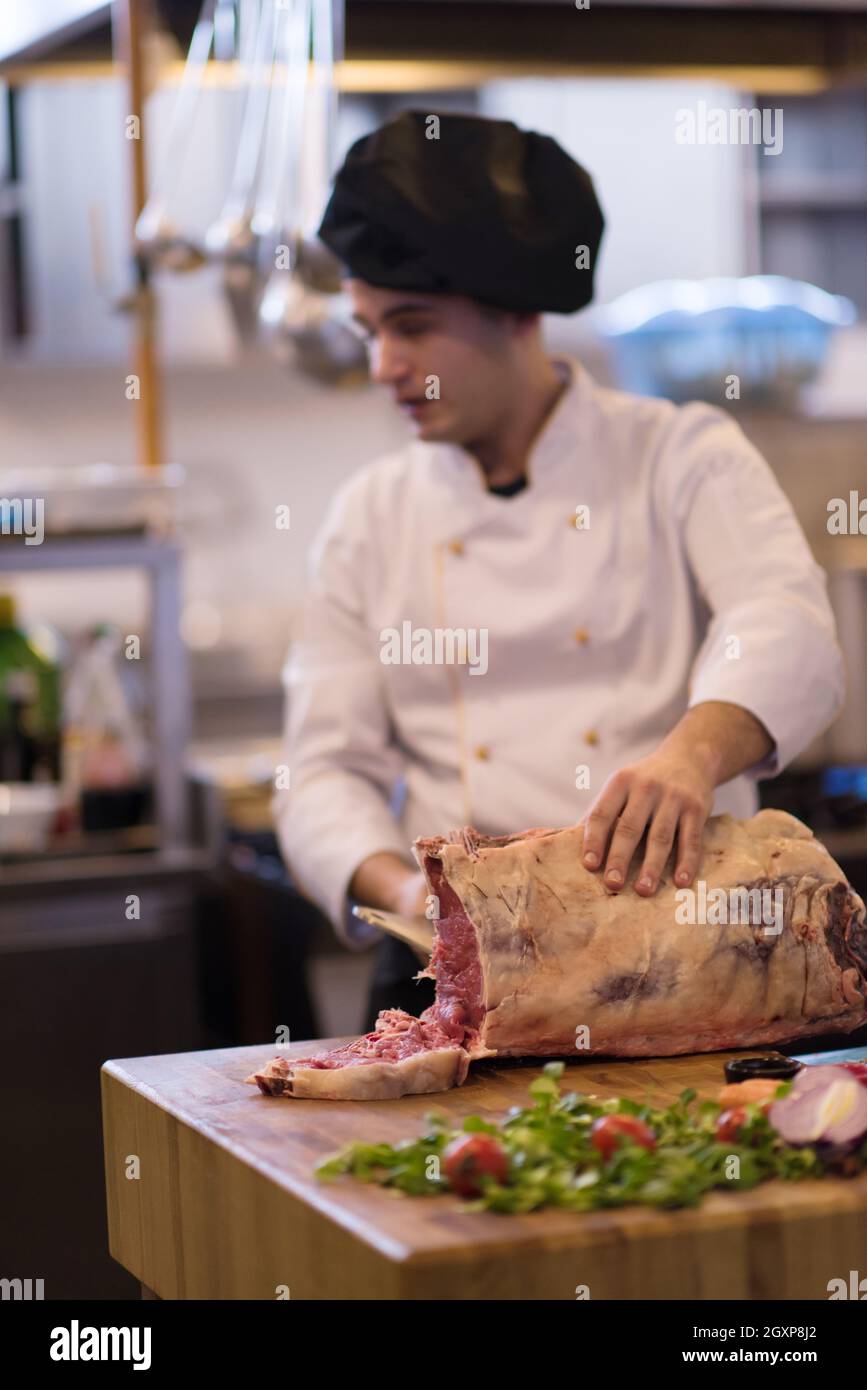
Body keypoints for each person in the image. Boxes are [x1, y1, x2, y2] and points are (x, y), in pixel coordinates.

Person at [274, 110, 845, 1031]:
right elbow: (319, 773)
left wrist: (689, 759)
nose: (383, 366)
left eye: (410, 327)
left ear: (515, 310)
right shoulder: (368, 517)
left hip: (681, 960)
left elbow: (785, 625)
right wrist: (416, 904)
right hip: (449, 979)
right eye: (368, 330)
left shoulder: (680, 455)